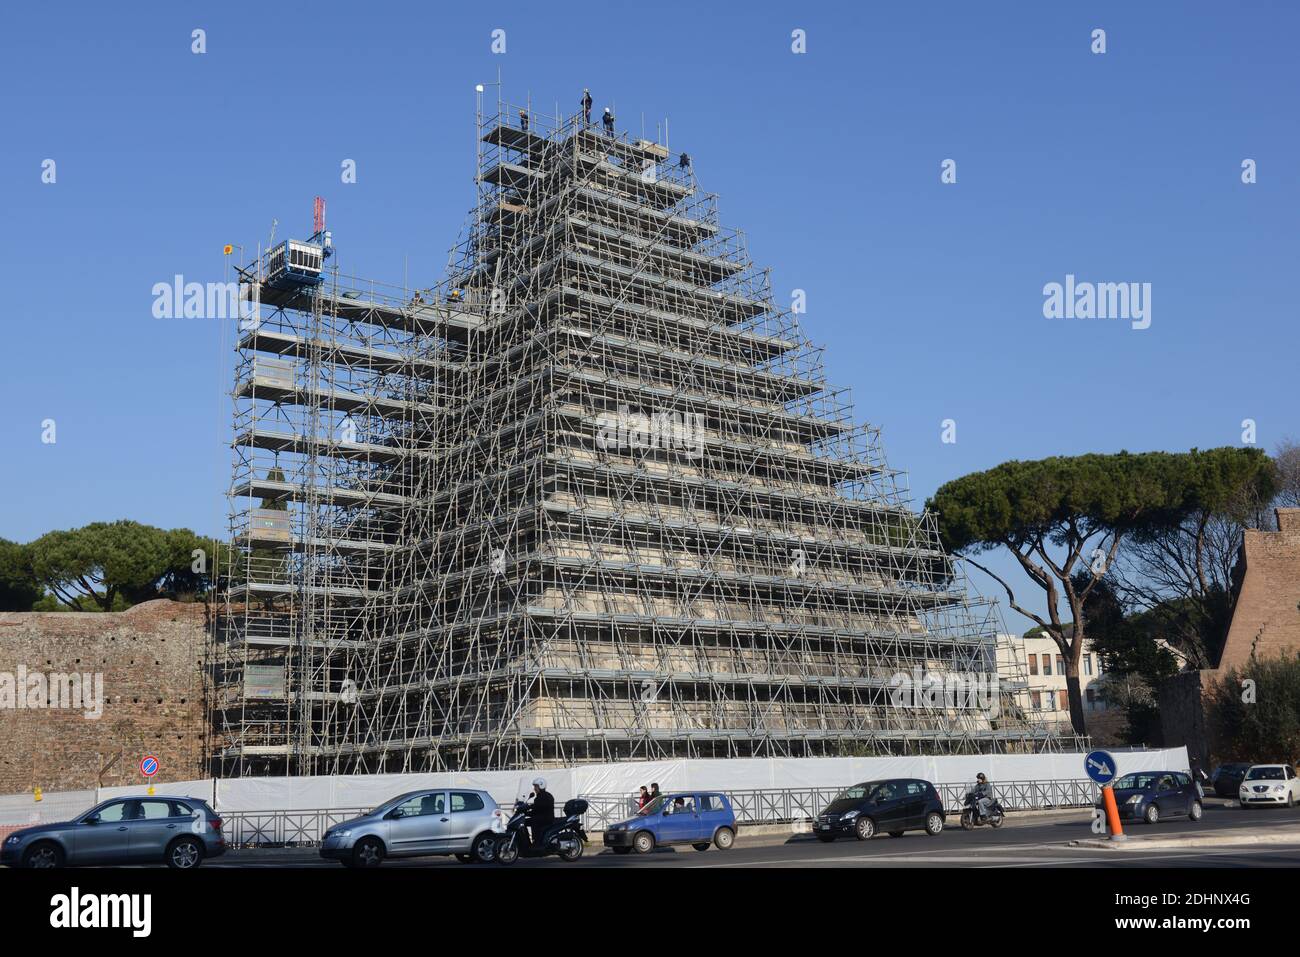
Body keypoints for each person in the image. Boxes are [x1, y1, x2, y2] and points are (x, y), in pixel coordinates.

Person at [526, 777, 555, 850]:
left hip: (547, 818)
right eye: (534, 786)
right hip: (542, 816)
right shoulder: (539, 796)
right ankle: (526, 842)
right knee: (525, 822)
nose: (534, 788)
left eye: (536, 786)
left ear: (541, 786)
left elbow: (538, 808)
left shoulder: (545, 796)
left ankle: (536, 842)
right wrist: (527, 809)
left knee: (534, 821)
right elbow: (536, 808)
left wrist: (528, 811)